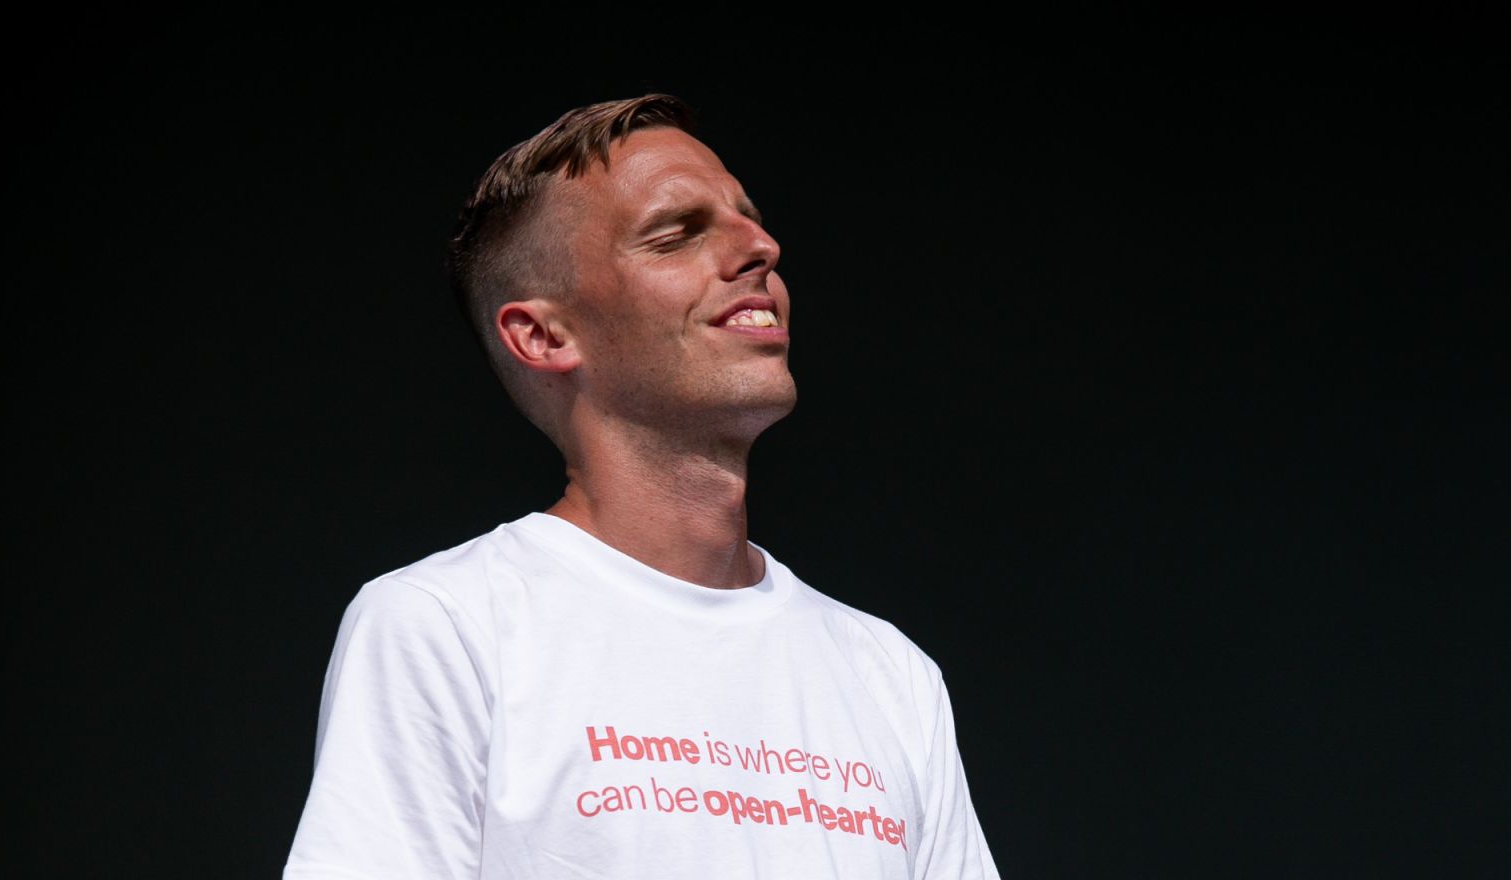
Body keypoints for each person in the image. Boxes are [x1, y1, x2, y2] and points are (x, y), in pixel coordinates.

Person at [283, 94, 1001, 879]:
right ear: (544, 335)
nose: (761, 246)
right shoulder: (448, 627)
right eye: (677, 235)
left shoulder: (888, 672)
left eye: (747, 218)